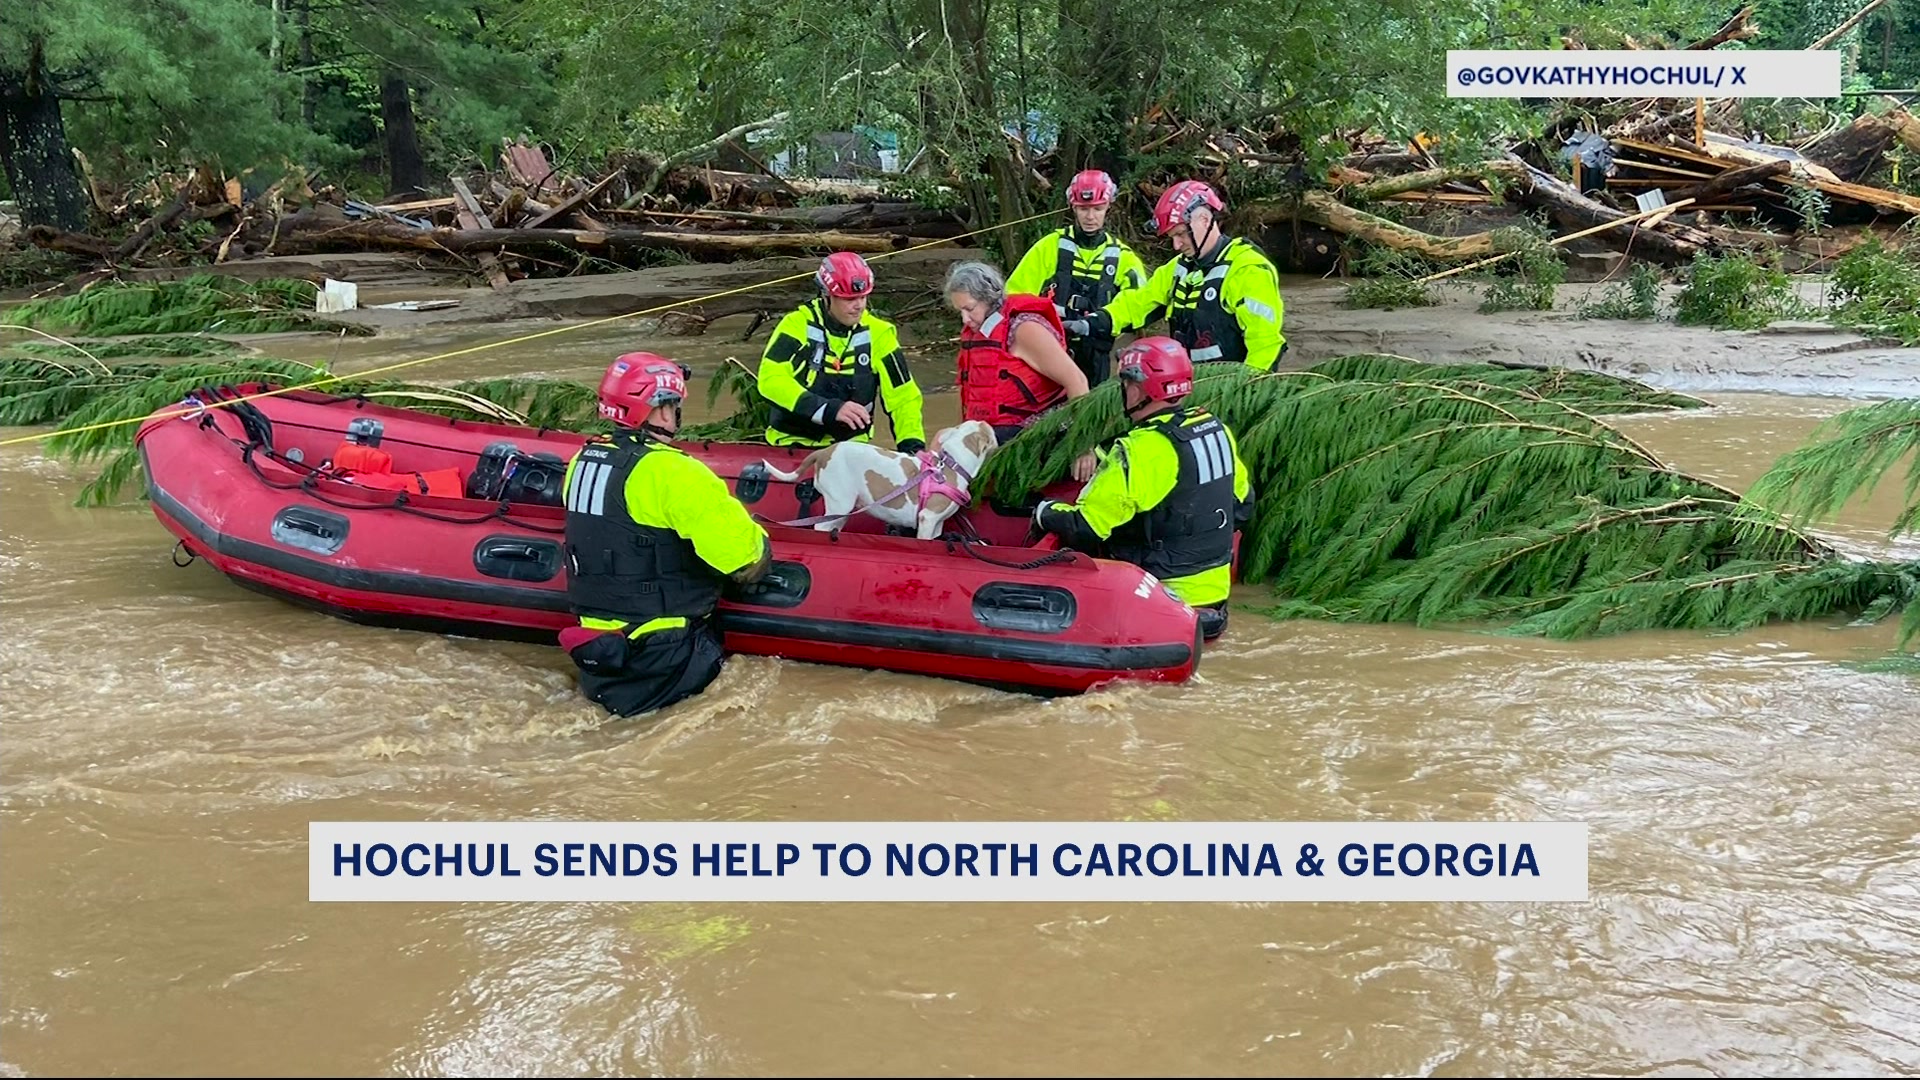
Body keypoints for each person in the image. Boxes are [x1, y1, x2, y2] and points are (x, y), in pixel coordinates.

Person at [560, 353, 772, 718]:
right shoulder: (674, 473)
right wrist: (760, 541)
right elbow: (742, 558)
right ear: (659, 411)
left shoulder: (582, 462)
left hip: (600, 650)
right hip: (666, 652)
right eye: (673, 405)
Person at [1032, 337, 1253, 640]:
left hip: (1160, 603)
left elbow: (1086, 527)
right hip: (1214, 599)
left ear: (1137, 388)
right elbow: (1242, 506)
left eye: (1125, 383)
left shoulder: (1139, 450)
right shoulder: (1216, 430)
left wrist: (1046, 512)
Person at [1070, 180, 1287, 372]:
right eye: (1172, 237)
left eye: (1181, 234)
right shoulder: (1178, 268)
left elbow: (1266, 345)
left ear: (1204, 220)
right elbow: (1138, 303)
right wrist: (1093, 322)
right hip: (1188, 386)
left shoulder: (1248, 269)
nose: (1176, 245)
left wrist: (1244, 394)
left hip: (1229, 389)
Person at [756, 250, 928, 455]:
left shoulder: (880, 334)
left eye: (863, 297)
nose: (859, 306)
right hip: (792, 444)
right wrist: (829, 409)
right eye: (849, 299)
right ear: (827, 295)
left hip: (851, 449)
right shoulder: (795, 326)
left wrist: (913, 447)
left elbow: (904, 397)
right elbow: (770, 380)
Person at [1004, 169, 1149, 387]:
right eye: (1083, 209)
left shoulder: (1123, 257)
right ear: (1073, 207)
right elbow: (1015, 296)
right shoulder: (1049, 247)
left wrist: (1098, 322)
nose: (1090, 217)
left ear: (1108, 206)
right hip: (1052, 350)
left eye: (1097, 208)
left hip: (1097, 353)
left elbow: (1140, 304)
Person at [945, 259, 1089, 446]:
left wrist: (1083, 445)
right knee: (944, 438)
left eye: (969, 309)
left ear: (988, 298)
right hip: (995, 432)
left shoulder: (1025, 328)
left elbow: (1077, 381)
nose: (965, 319)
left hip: (1035, 432)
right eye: (960, 311)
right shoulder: (977, 335)